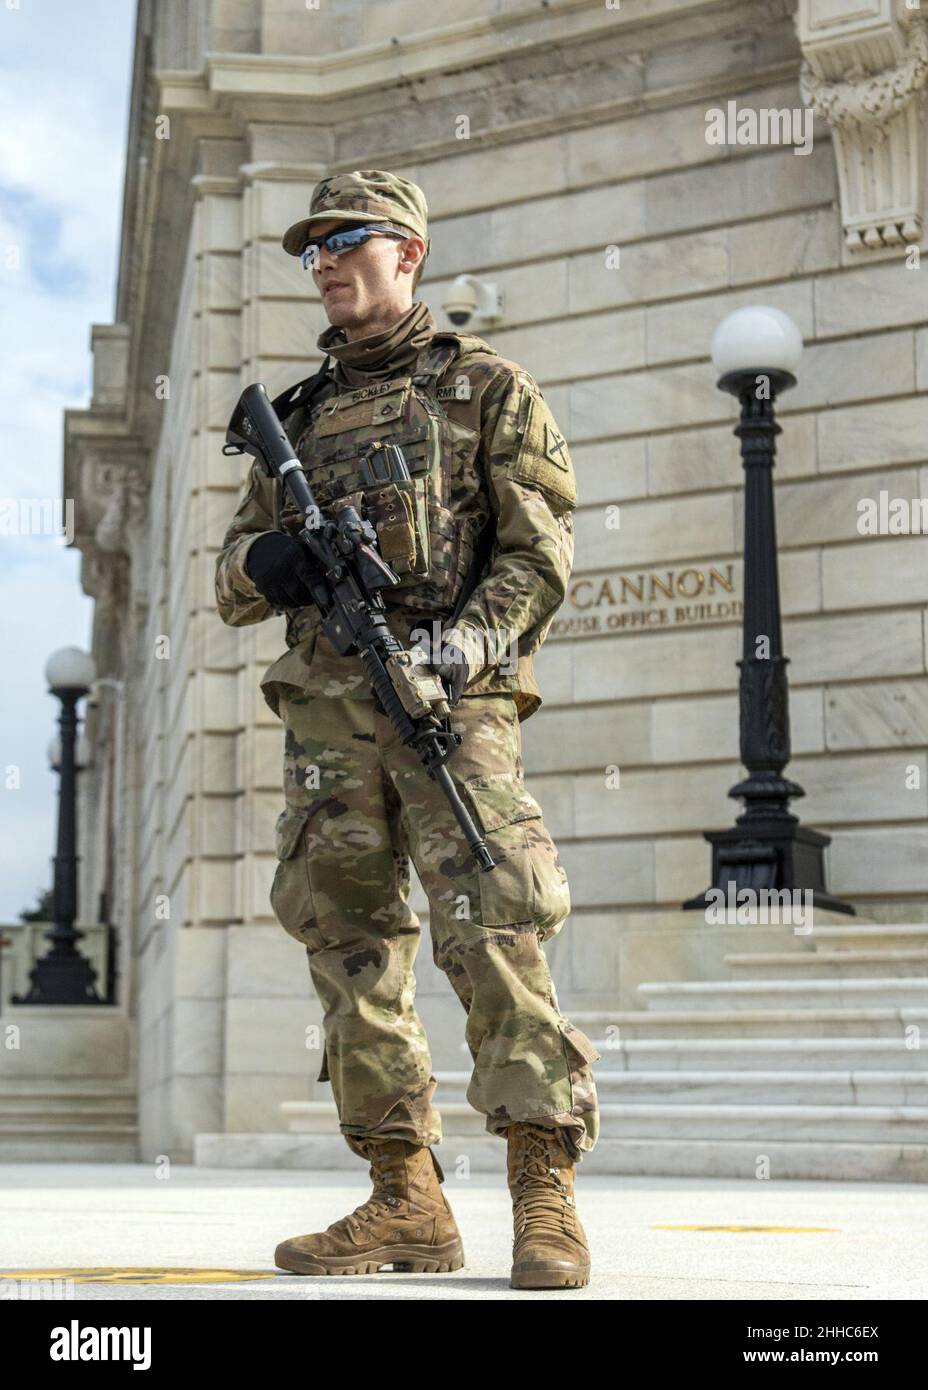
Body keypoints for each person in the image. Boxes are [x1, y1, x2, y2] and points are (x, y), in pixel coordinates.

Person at [215, 169, 600, 1290]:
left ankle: (543, 1190)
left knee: (494, 932)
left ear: (409, 252)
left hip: (452, 714)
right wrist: (269, 560)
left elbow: (539, 558)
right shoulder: (291, 422)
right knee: (349, 951)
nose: (324, 262)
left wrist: (453, 651)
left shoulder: (486, 388)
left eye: (345, 240)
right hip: (329, 733)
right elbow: (231, 581)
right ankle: (405, 1201)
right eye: (311, 249)